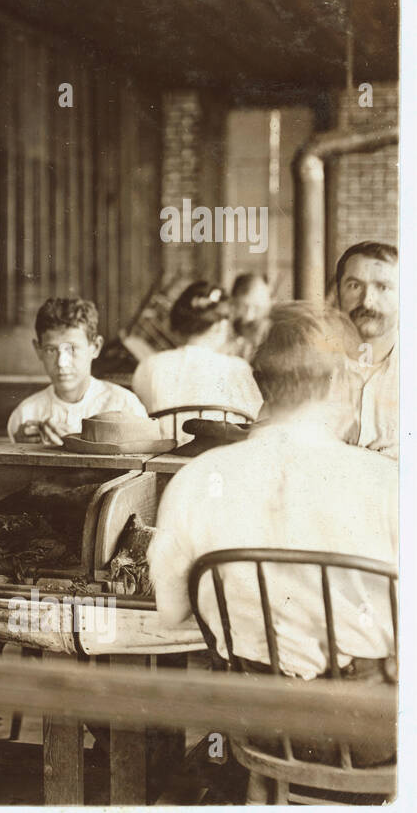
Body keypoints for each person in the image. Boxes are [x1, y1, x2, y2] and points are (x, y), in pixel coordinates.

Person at [147, 303, 397, 766]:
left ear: (261, 383)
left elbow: (171, 612)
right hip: (372, 734)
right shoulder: (389, 484)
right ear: (341, 382)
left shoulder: (194, 480)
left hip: (256, 727)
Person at [8, 297, 150, 445]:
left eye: (72, 349)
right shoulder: (25, 414)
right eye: (51, 350)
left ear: (95, 347)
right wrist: (22, 449)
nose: (62, 363)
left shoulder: (125, 405)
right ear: (39, 350)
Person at [131, 280, 264, 436]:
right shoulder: (240, 368)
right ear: (220, 326)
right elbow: (254, 418)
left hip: (166, 457)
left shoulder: (150, 365)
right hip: (224, 457)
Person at [335, 241, 398, 458]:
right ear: (338, 292)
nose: (367, 301)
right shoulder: (307, 366)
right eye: (354, 285)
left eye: (383, 287)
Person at [229, 271, 272, 362]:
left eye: (257, 308)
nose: (249, 316)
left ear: (267, 306)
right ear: (233, 303)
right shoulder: (222, 329)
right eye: (244, 307)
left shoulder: (272, 331)